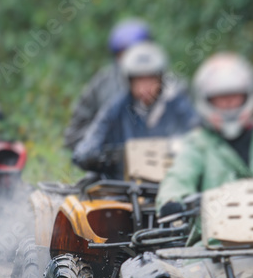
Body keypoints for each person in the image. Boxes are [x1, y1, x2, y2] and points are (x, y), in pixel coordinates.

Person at [157, 53, 253, 216]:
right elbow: (179, 177)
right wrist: (172, 200)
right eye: (221, 99)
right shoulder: (198, 144)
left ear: (247, 96)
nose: (229, 105)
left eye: (234, 97)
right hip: (215, 238)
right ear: (206, 100)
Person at [72, 41, 198, 179]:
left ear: (160, 79)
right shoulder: (118, 106)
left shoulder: (177, 102)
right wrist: (113, 158)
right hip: (125, 187)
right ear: (129, 81)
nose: (144, 87)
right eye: (139, 80)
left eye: (150, 79)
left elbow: (198, 141)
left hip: (172, 182)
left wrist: (174, 149)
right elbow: (84, 151)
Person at [63, 18, 151, 151]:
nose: (126, 61)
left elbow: (187, 130)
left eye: (131, 55)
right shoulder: (103, 83)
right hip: (110, 161)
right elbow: (73, 134)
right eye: (121, 55)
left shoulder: (168, 84)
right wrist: (104, 141)